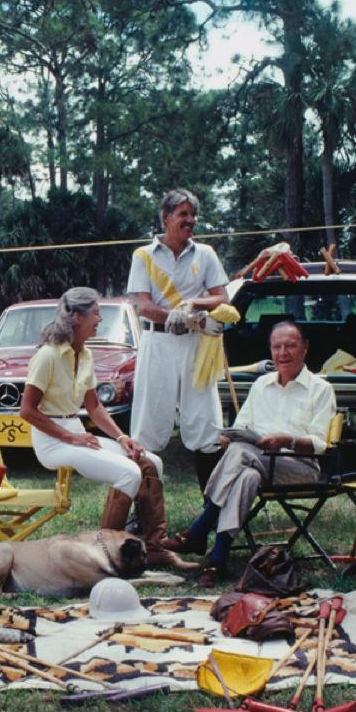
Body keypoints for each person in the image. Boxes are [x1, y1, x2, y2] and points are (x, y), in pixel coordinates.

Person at [19, 288, 197, 571]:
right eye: (96, 313)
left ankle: (155, 549)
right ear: (76, 317)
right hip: (52, 442)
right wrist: (70, 437)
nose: (100, 318)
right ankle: (102, 557)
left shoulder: (85, 354)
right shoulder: (48, 356)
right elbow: (27, 411)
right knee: (128, 473)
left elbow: (95, 407)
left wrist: (122, 437)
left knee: (152, 462)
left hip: (75, 433)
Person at [162, 321, 336, 587]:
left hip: (299, 468)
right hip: (257, 465)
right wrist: (226, 436)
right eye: (277, 347)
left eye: (290, 346)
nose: (283, 353)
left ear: (305, 348)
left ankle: (200, 528)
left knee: (243, 452)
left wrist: (286, 440)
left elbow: (321, 443)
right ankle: (216, 560)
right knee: (247, 477)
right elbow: (242, 426)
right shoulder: (261, 385)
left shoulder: (320, 389)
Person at [126, 188, 231, 491]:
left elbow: (221, 297)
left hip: (196, 343)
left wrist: (193, 310)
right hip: (157, 343)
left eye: (193, 214)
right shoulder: (143, 256)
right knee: (148, 422)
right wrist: (177, 315)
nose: (190, 220)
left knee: (206, 421)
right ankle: (143, 510)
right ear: (166, 217)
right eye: (183, 214)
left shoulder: (205, 254)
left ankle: (211, 510)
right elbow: (143, 306)